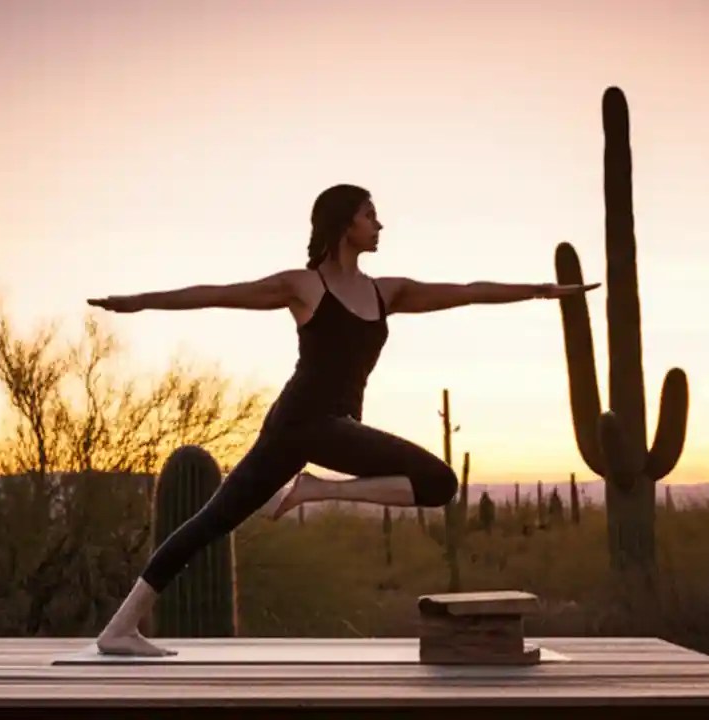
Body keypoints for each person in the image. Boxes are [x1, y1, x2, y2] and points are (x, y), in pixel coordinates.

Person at [85, 184, 599, 655]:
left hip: (327, 426)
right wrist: (141, 303)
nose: (380, 225)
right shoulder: (304, 286)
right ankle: (119, 631)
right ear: (342, 223)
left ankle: (315, 489)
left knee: (437, 485)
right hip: (300, 421)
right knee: (213, 522)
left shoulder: (386, 292)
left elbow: (465, 290)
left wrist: (536, 290)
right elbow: (219, 293)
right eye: (370, 215)